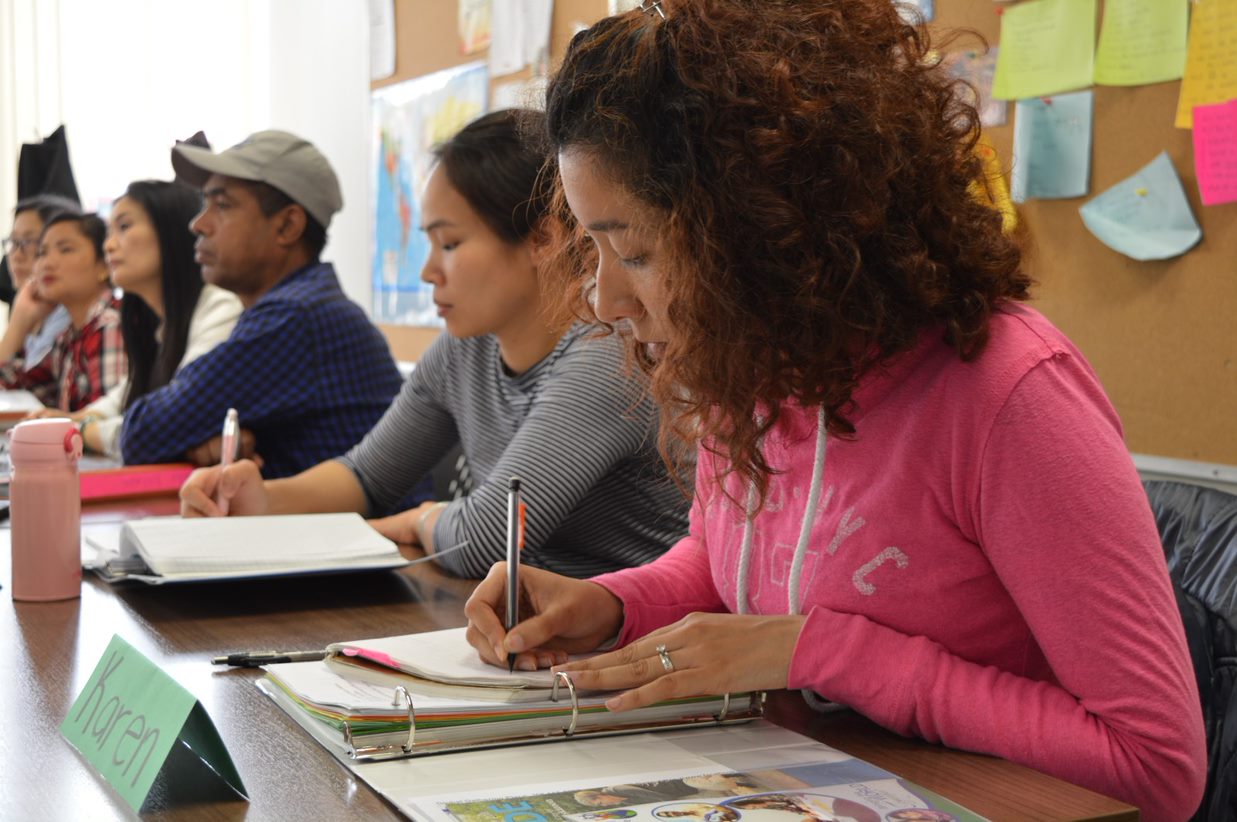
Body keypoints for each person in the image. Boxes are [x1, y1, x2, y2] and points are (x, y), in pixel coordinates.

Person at [462, 2, 1207, 819]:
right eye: (591, 248)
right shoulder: (752, 363)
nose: (603, 300)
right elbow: (724, 569)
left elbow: (1155, 768)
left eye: (635, 250)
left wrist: (826, 654)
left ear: (764, 229)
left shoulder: (1007, 395)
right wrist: (612, 603)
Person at [180, 110, 689, 579]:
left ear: (543, 239)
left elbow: (488, 538)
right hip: (529, 622)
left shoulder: (609, 356)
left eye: (449, 244)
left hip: (632, 636)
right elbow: (367, 476)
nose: (428, 272)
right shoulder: (466, 348)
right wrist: (259, 500)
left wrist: (422, 519)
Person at [117, 130, 404, 477]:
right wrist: (217, 440)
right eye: (204, 204)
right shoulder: (300, 305)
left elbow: (141, 434)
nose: (198, 224)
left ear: (287, 225)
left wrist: (200, 438)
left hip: (357, 530)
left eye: (222, 206)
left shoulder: (295, 317)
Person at [29, 180, 242, 457]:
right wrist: (79, 418)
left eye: (124, 227)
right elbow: (126, 392)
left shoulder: (221, 308)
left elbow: (164, 424)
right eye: (109, 232)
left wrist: (81, 431)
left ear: (172, 231)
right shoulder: (156, 324)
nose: (109, 246)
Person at [0, 212, 125, 410]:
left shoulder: (110, 325)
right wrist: (18, 325)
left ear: (104, 265)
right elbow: (15, 386)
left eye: (65, 249)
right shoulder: (69, 336)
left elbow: (107, 425)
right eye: (42, 252)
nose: (47, 263)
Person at [0, 195, 80, 377]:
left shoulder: (68, 314)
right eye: (13, 242)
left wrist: (16, 326)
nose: (16, 256)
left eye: (28, 242)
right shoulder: (35, 307)